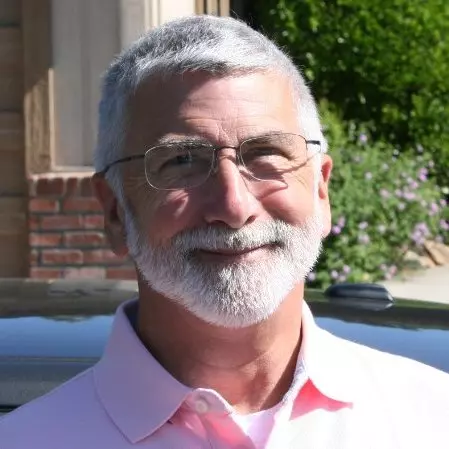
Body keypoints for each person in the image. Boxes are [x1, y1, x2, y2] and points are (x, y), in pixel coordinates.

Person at [1, 14, 448, 449]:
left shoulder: (431, 418)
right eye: (180, 161)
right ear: (115, 211)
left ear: (321, 190)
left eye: (267, 154)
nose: (234, 207)